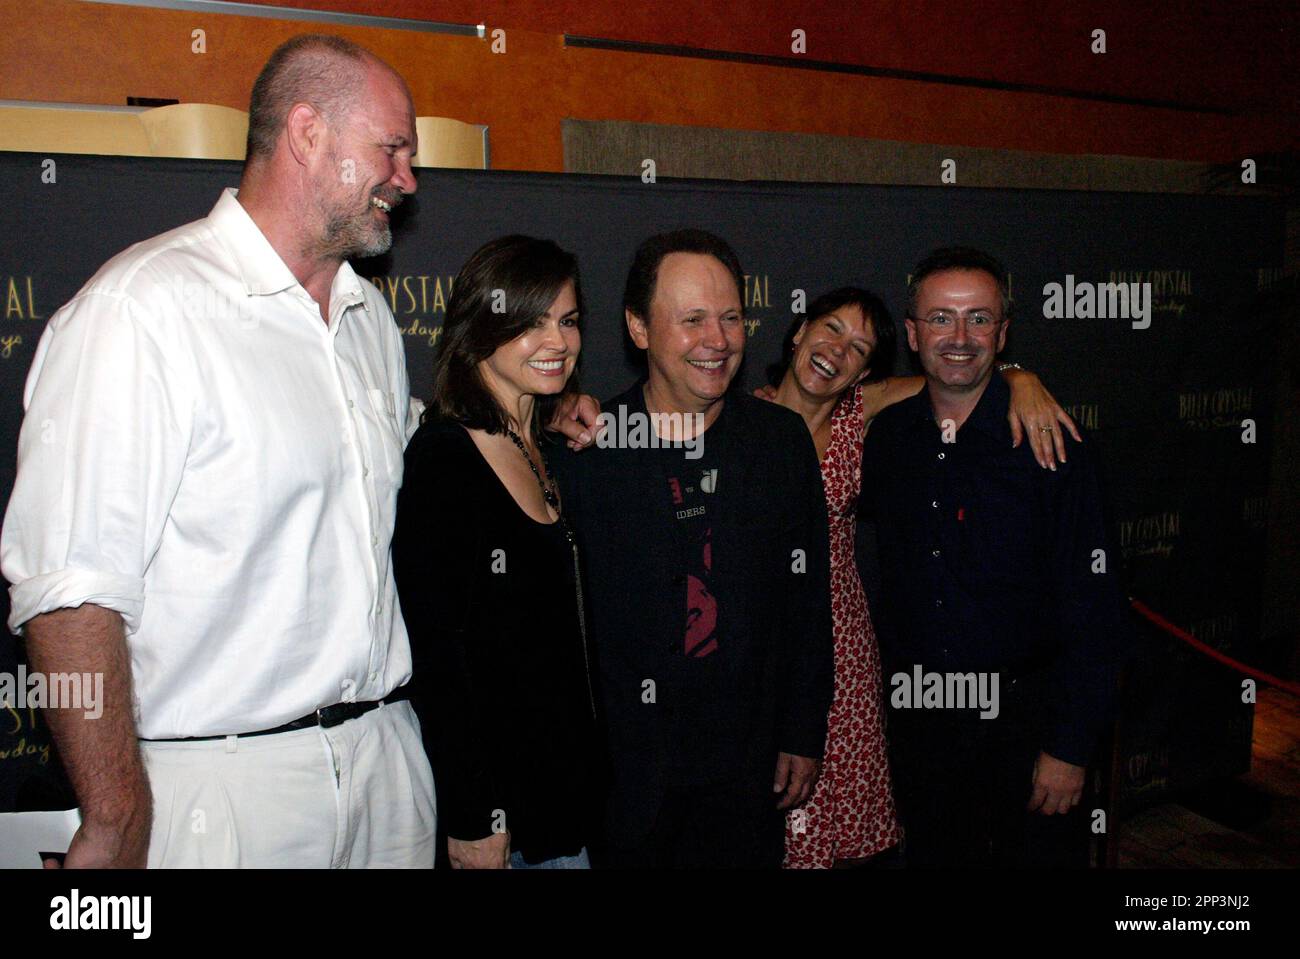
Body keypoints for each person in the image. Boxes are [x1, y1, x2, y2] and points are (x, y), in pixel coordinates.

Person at [763, 288, 1081, 868]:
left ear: (866, 369)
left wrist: (1021, 376)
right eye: (831, 329)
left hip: (843, 642)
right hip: (764, 637)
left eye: (859, 346)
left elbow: (956, 375)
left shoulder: (861, 417)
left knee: (848, 823)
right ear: (798, 332)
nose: (838, 350)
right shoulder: (739, 418)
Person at [554, 229, 833, 869]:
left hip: (747, 772)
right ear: (638, 328)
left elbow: (806, 603)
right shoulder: (589, 447)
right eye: (692, 319)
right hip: (627, 778)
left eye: (731, 317)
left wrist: (801, 730)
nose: (717, 339)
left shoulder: (780, 441)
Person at [859, 247, 1129, 867]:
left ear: (1003, 333)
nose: (959, 337)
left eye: (978, 319)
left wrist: (1069, 747)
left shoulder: (1053, 445)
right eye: (941, 319)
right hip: (920, 725)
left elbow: (1097, 608)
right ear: (912, 331)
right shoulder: (889, 438)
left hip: (1027, 726)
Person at [392, 236, 604, 869]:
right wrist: (474, 812)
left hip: (564, 802)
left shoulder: (542, 443)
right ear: (482, 326)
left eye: (567, 321)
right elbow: (437, 658)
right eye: (531, 322)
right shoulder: (444, 458)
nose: (559, 342)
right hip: (503, 822)